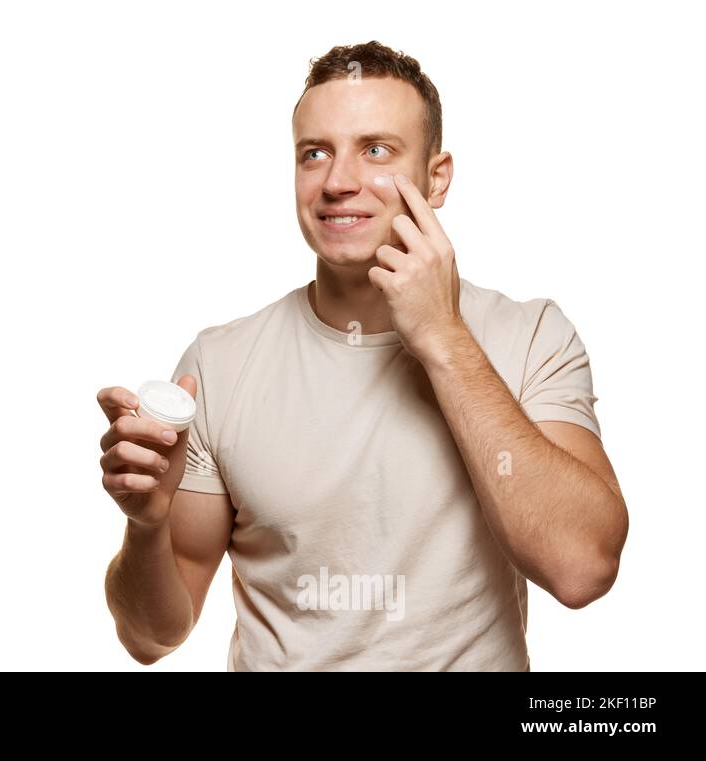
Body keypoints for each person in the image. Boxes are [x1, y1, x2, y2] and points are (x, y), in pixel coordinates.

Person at [99, 41, 628, 671]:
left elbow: (583, 568)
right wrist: (148, 525)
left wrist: (442, 338)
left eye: (376, 150)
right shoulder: (220, 364)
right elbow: (150, 639)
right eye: (314, 153)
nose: (338, 182)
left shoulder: (532, 336)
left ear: (438, 177)